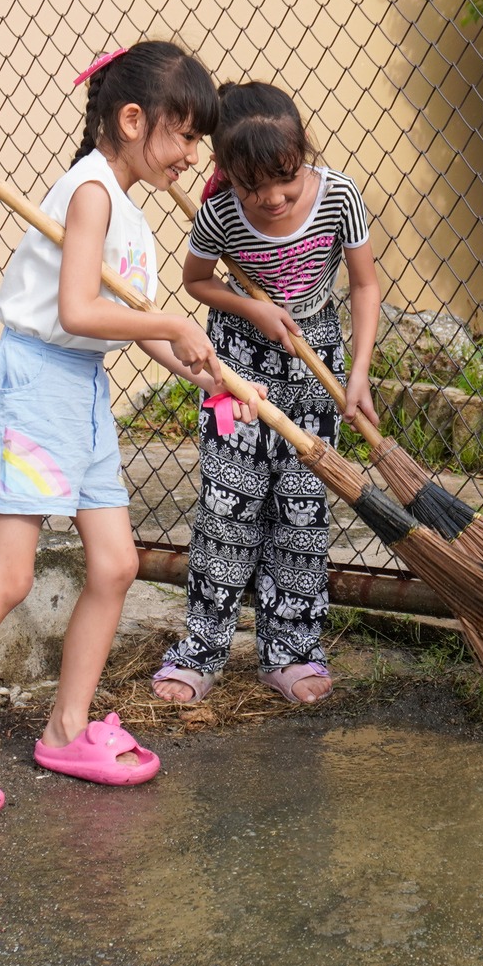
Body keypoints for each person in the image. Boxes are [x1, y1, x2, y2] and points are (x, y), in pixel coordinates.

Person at [0, 41, 232, 819]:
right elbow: (77, 309)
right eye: (185, 135)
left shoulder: (124, 206)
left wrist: (197, 370)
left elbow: (125, 319)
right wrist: (173, 322)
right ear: (133, 120)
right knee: (8, 577)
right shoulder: (91, 192)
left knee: (115, 563)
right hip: (35, 389)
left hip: (81, 391)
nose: (192, 155)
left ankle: (67, 729)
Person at [153, 81, 381, 708]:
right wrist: (252, 308)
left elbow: (364, 285)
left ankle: (292, 651)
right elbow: (197, 282)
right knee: (230, 508)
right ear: (227, 173)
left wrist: (358, 372)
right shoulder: (221, 214)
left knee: (302, 513)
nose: (275, 198)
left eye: (286, 179)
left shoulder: (339, 197)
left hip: (316, 365)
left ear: (303, 154)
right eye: (255, 187)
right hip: (236, 371)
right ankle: (201, 650)